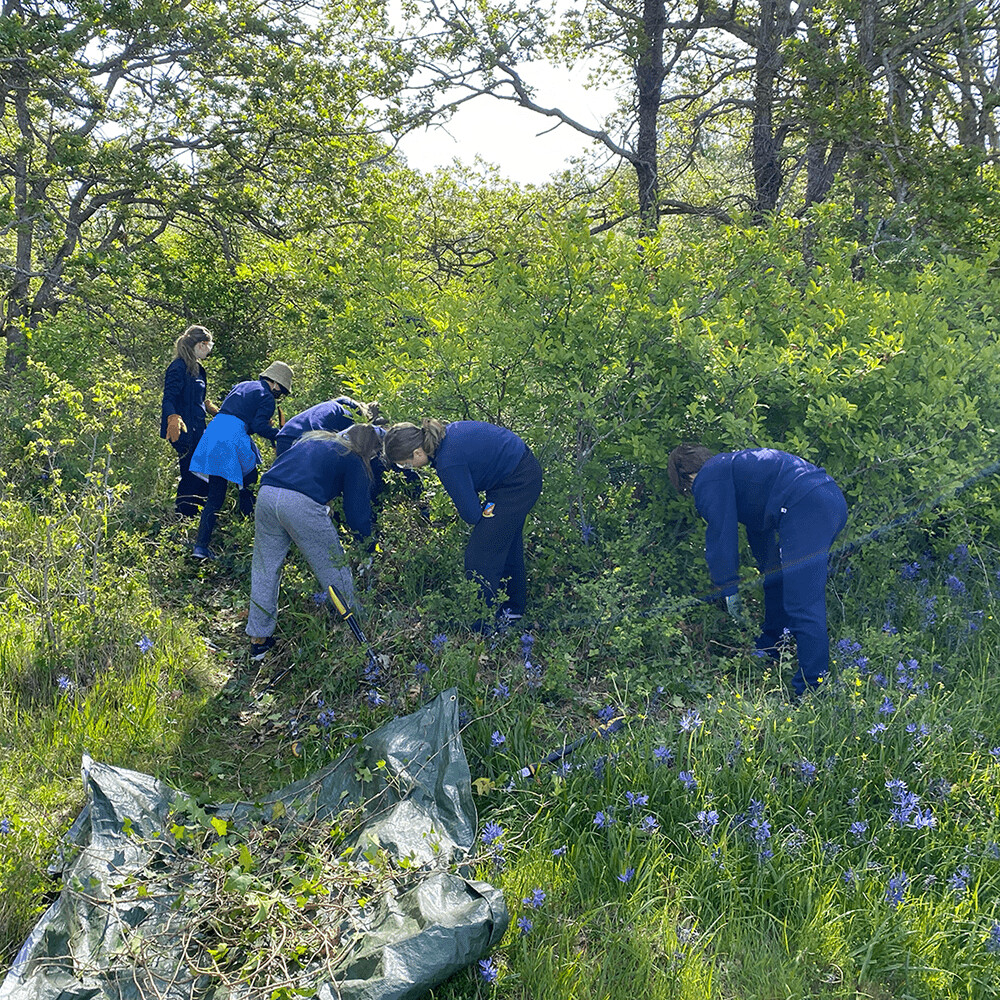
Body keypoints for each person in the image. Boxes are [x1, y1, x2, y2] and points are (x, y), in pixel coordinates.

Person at [668, 444, 848, 696]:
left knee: (803, 602)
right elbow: (759, 527)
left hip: (806, 505)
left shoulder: (709, 475)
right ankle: (771, 647)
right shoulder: (733, 470)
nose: (693, 492)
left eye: (688, 488)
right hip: (825, 497)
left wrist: (727, 586)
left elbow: (721, 533)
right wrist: (769, 570)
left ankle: (811, 688)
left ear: (686, 476)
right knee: (777, 581)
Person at [383, 418, 543, 629]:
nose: (407, 467)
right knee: (504, 540)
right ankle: (512, 610)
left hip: (517, 482)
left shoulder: (448, 462)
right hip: (519, 470)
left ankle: (482, 626)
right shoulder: (445, 436)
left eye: (405, 463)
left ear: (417, 453)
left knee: (480, 554)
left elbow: (472, 514)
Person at [246, 424, 381, 660]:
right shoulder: (352, 458)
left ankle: (259, 641)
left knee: (265, 568)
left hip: (267, 494)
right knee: (332, 567)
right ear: (368, 449)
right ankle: (356, 624)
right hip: (300, 503)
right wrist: (368, 545)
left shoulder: (314, 440)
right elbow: (357, 515)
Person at [188, 360, 293, 560]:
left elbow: (241, 416)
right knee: (249, 484)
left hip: (214, 432)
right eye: (282, 391)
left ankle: (200, 547)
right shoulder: (267, 397)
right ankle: (248, 537)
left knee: (215, 496)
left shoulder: (243, 385)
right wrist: (280, 435)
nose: (280, 395)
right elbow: (258, 425)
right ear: (276, 384)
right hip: (233, 437)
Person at [160, 325, 217, 516]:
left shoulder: (199, 369)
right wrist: (172, 417)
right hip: (182, 430)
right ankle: (183, 515)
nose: (209, 349)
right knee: (190, 473)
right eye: (208, 345)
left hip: (199, 429)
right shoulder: (177, 367)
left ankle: (197, 514)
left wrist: (208, 407)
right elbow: (169, 398)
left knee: (203, 473)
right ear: (201, 344)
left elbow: (198, 398)